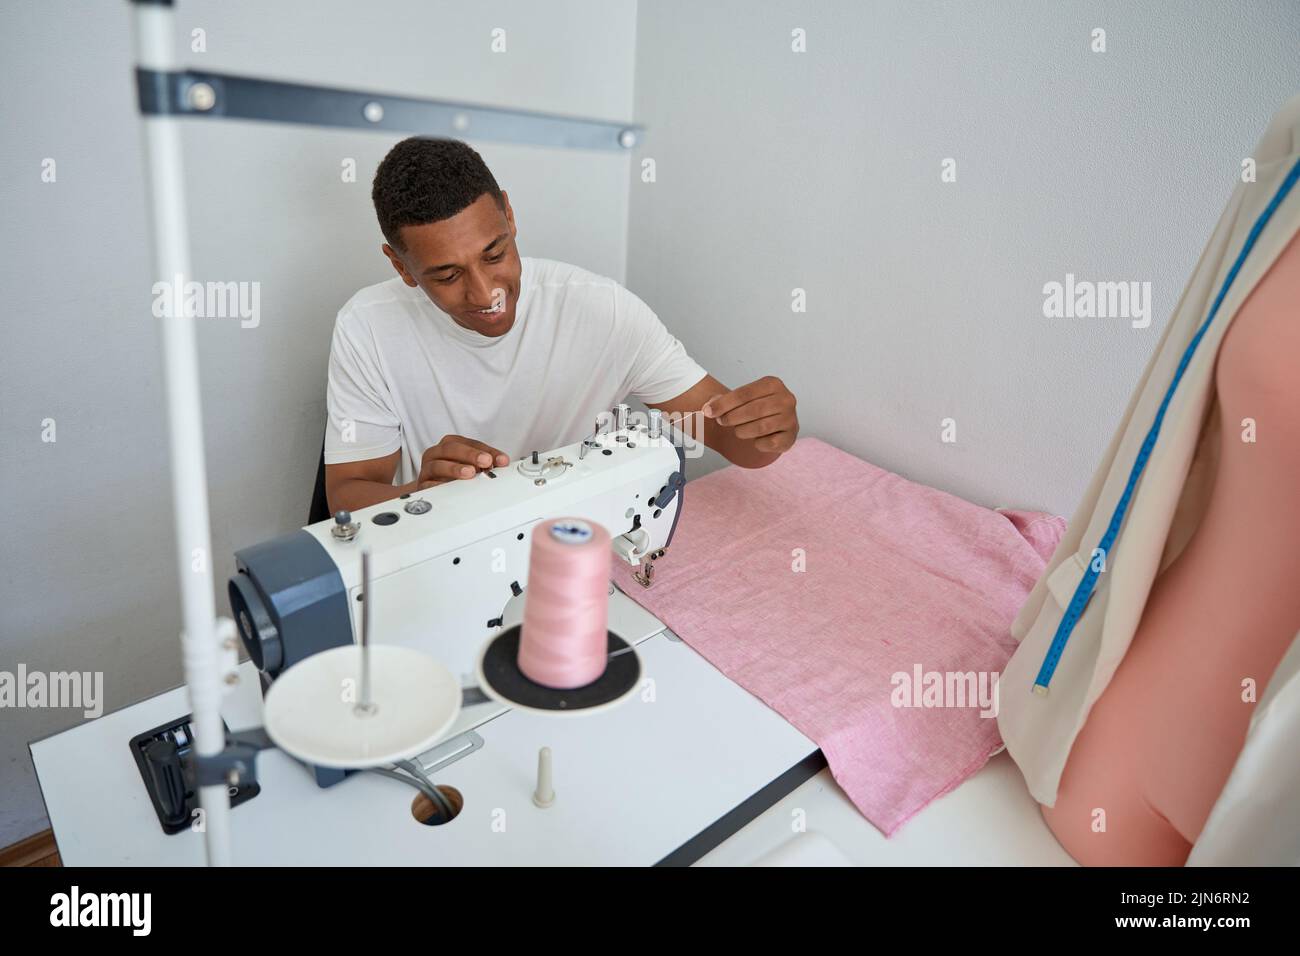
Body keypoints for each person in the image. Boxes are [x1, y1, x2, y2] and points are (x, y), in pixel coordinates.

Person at [324, 138, 799, 513]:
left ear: (509, 215)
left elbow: (733, 443)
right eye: (447, 275)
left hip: (567, 545)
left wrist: (766, 429)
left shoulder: (602, 312)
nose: (484, 289)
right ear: (402, 267)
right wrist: (421, 494)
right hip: (442, 544)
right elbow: (346, 495)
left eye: (496, 254)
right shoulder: (367, 328)